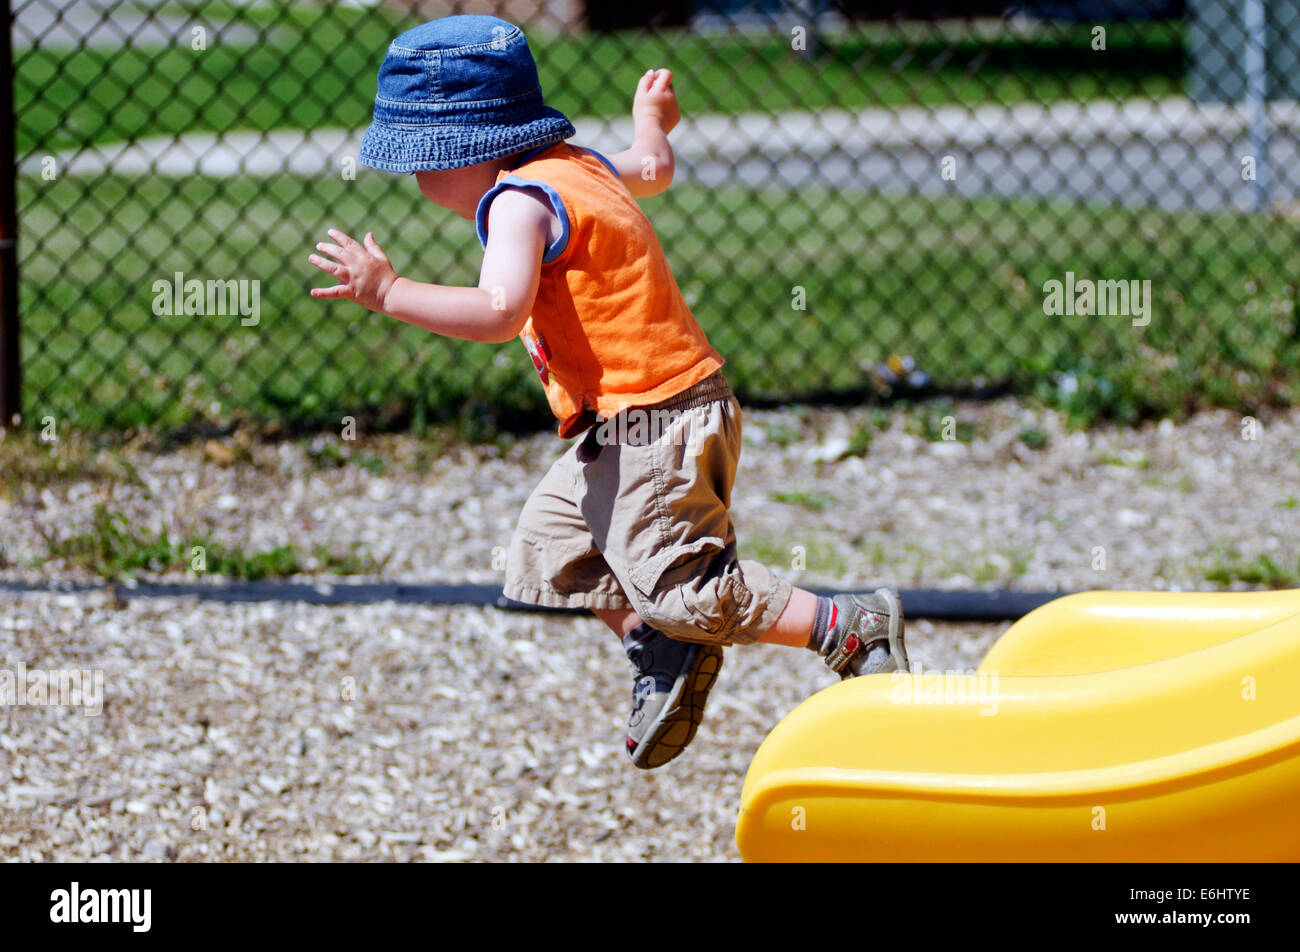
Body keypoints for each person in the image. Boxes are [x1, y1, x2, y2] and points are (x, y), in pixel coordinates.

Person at [308, 15, 908, 770]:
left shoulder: (516, 203)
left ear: (465, 145)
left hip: (657, 419)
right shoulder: (577, 165)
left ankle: (844, 623)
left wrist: (390, 291)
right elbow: (653, 169)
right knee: (552, 547)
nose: (420, 182)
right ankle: (659, 649)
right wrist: (650, 124)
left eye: (422, 163)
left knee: (685, 589)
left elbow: (500, 312)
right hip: (639, 418)